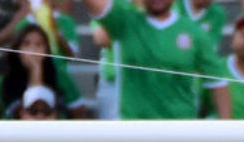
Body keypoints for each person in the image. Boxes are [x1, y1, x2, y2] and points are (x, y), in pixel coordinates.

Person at [83, 0, 232, 119]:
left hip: (181, 131)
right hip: (133, 130)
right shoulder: (125, 22)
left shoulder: (194, 32)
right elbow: (97, 7)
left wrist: (225, 139)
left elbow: (217, 82)